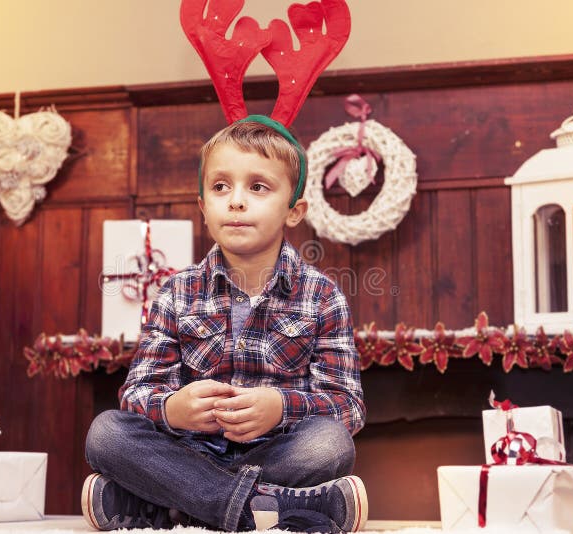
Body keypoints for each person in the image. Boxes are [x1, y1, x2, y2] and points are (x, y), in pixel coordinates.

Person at [83, 115, 367, 533]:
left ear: (294, 211)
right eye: (220, 187)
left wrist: (280, 408)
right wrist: (174, 409)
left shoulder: (322, 296)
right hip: (185, 452)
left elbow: (347, 406)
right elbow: (136, 394)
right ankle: (262, 508)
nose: (236, 201)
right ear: (203, 208)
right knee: (106, 433)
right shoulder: (177, 292)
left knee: (330, 445)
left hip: (275, 453)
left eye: (258, 187)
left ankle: (172, 506)